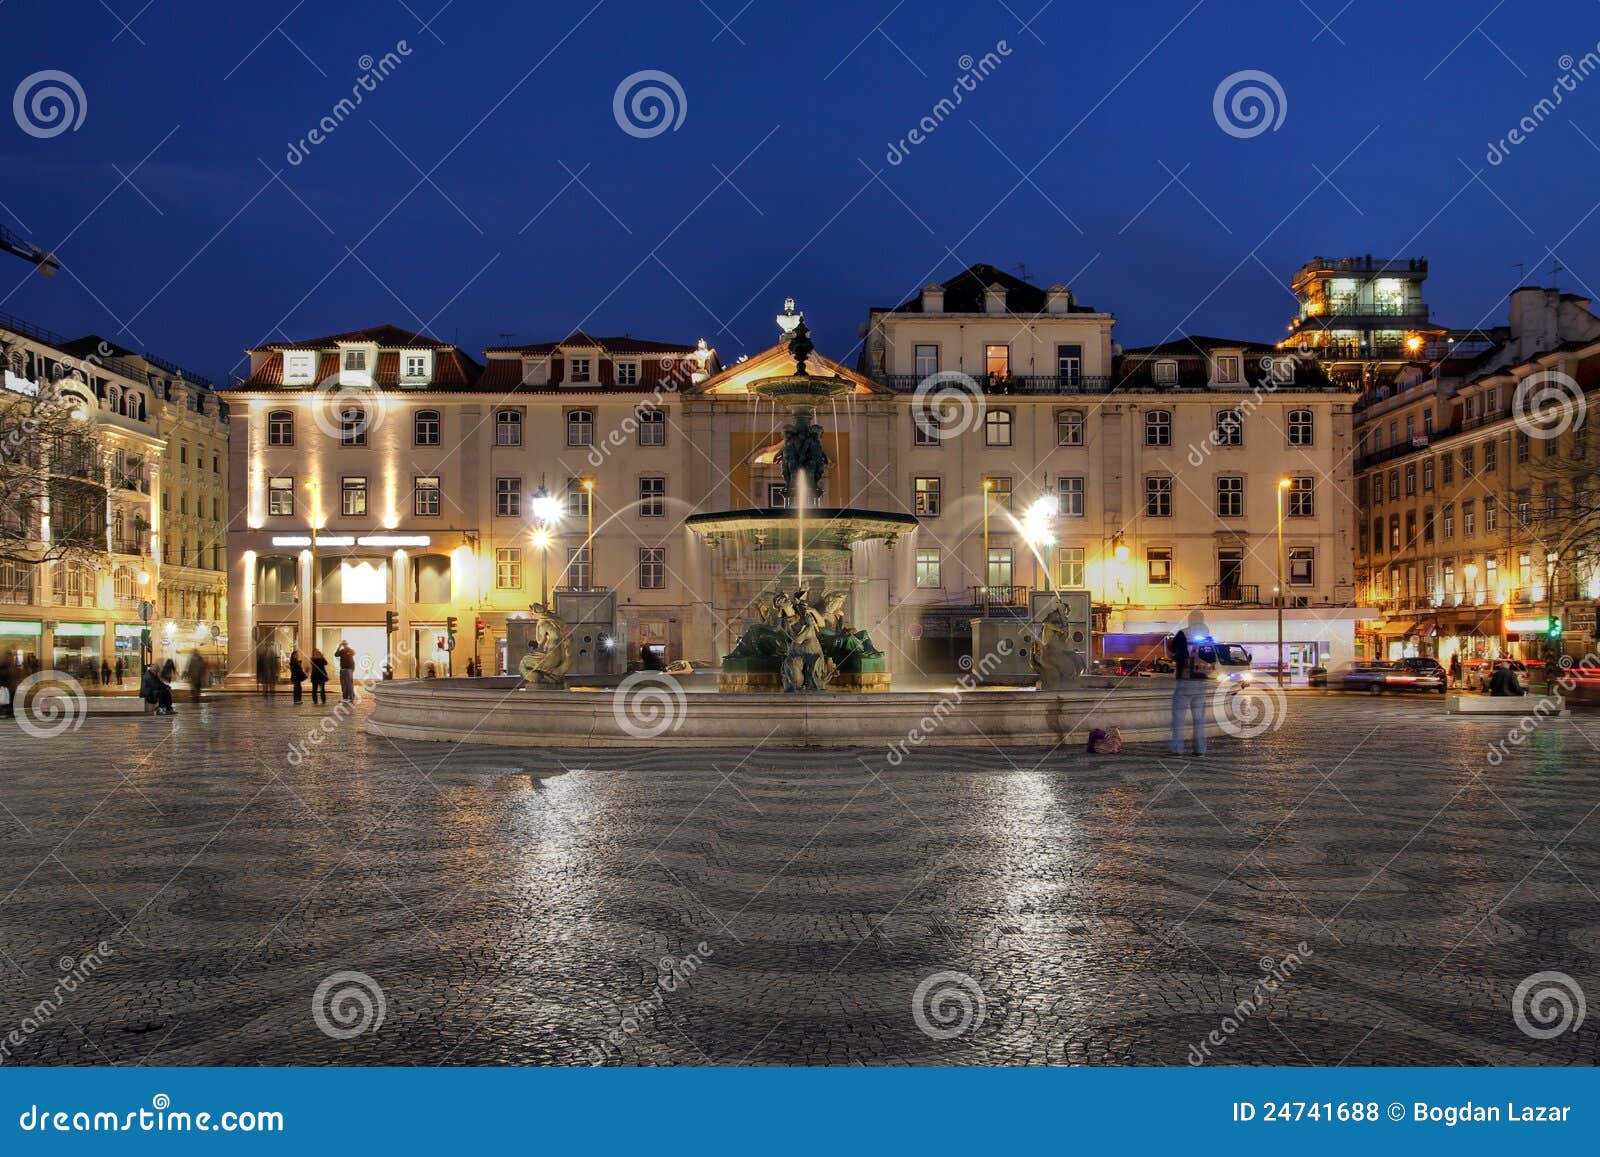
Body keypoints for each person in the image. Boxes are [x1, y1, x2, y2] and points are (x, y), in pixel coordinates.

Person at [1168, 609, 1212, 757]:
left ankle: (1177, 749)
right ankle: (1200, 749)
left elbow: (1175, 652)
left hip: (1185, 681)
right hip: (1202, 681)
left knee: (1178, 718)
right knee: (1199, 719)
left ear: (1190, 620)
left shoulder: (1183, 634)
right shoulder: (1207, 636)